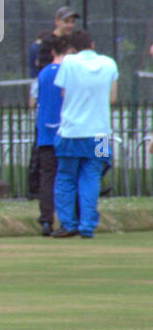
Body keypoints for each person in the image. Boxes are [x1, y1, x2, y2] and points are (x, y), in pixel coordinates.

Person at [51, 30, 118, 239]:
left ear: (72, 47)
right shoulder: (109, 64)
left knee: (66, 177)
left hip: (72, 131)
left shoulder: (69, 62)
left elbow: (63, 92)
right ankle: (87, 225)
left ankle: (68, 223)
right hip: (100, 133)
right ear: (92, 43)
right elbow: (113, 98)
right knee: (92, 177)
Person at [27, 7, 79, 198]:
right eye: (66, 21)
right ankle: (36, 188)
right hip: (52, 105)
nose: (70, 25)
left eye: (72, 22)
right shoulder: (48, 44)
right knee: (44, 148)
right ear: (57, 21)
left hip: (71, 107)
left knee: (96, 156)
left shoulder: (73, 42)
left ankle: (86, 186)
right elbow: (43, 73)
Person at [31, 34, 69, 236]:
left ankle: (46, 220)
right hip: (69, 134)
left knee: (48, 178)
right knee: (69, 176)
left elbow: (36, 101)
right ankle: (71, 220)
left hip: (46, 134)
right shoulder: (70, 73)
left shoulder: (43, 74)